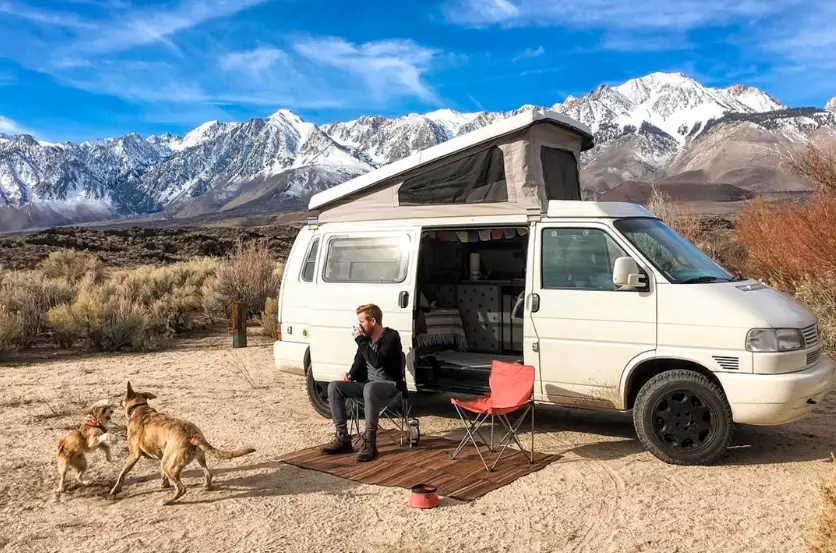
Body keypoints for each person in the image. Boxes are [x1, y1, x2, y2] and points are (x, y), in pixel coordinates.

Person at [322, 303, 404, 462]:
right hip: (368, 385)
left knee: (370, 388)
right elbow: (359, 363)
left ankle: (370, 443)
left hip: (390, 385)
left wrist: (360, 340)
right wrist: (350, 375)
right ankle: (343, 438)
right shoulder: (365, 340)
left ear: (373, 321)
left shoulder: (391, 337)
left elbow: (377, 361)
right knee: (334, 387)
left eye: (361, 322)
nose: (358, 326)